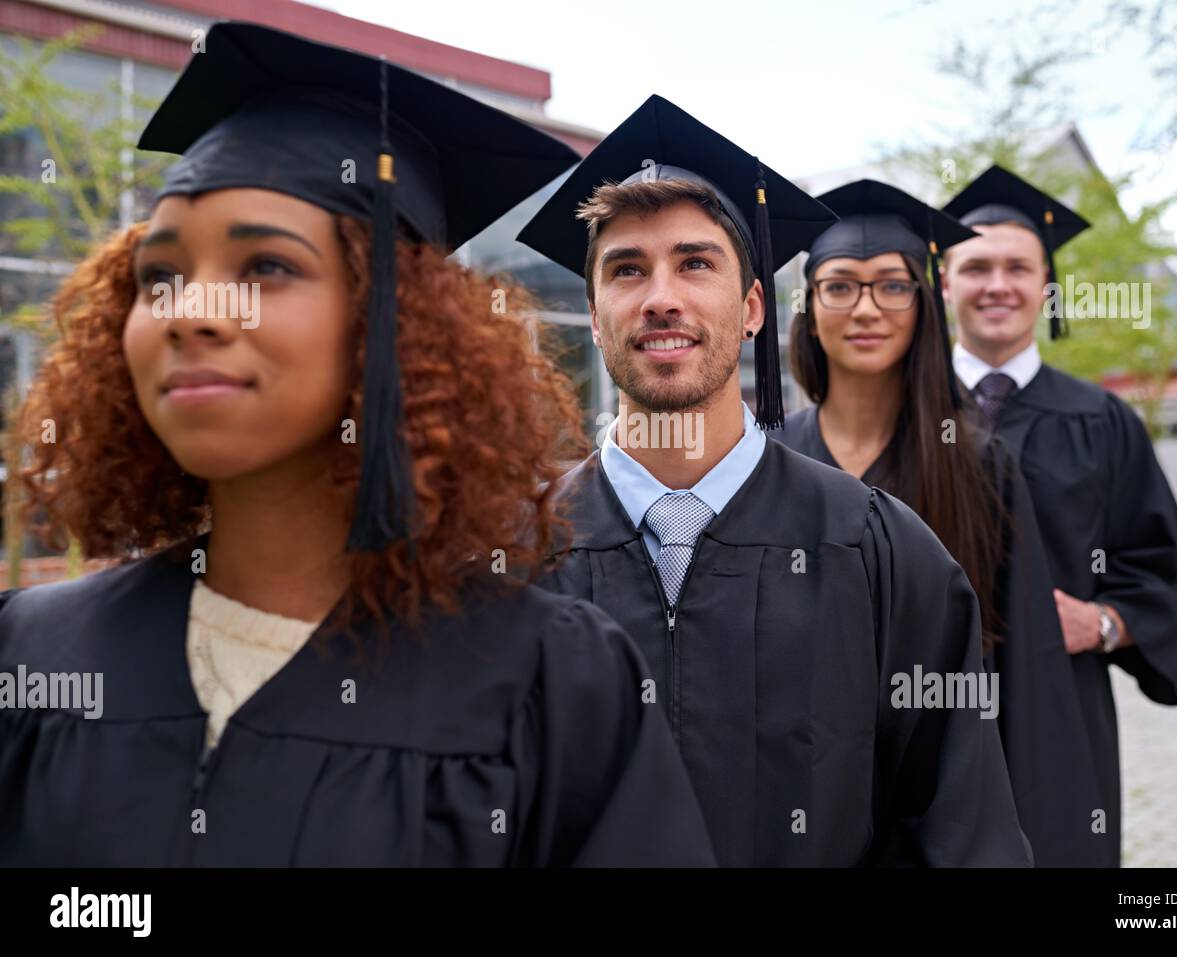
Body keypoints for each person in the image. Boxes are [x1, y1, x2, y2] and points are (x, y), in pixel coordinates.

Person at [0, 22, 715, 868]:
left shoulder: (551, 684)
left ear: (397, 325)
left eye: (265, 267)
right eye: (160, 276)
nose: (190, 311)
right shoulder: (34, 651)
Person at [517, 95, 1031, 867]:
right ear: (593, 315)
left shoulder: (883, 551)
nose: (661, 296)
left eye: (695, 262)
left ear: (753, 307)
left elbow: (961, 831)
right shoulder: (508, 556)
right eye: (627, 269)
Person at [772, 179, 1107, 866]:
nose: (866, 308)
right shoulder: (764, 463)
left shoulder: (979, 464)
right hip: (795, 801)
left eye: (893, 285)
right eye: (839, 285)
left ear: (925, 306)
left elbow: (1027, 674)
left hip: (944, 807)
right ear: (808, 307)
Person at [942, 164, 1177, 866]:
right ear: (944, 281)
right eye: (976, 266)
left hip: (1060, 703)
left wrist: (1107, 621)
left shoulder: (1101, 418)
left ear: (1045, 286)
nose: (998, 284)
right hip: (927, 705)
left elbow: (1162, 566)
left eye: (1017, 267)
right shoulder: (905, 412)